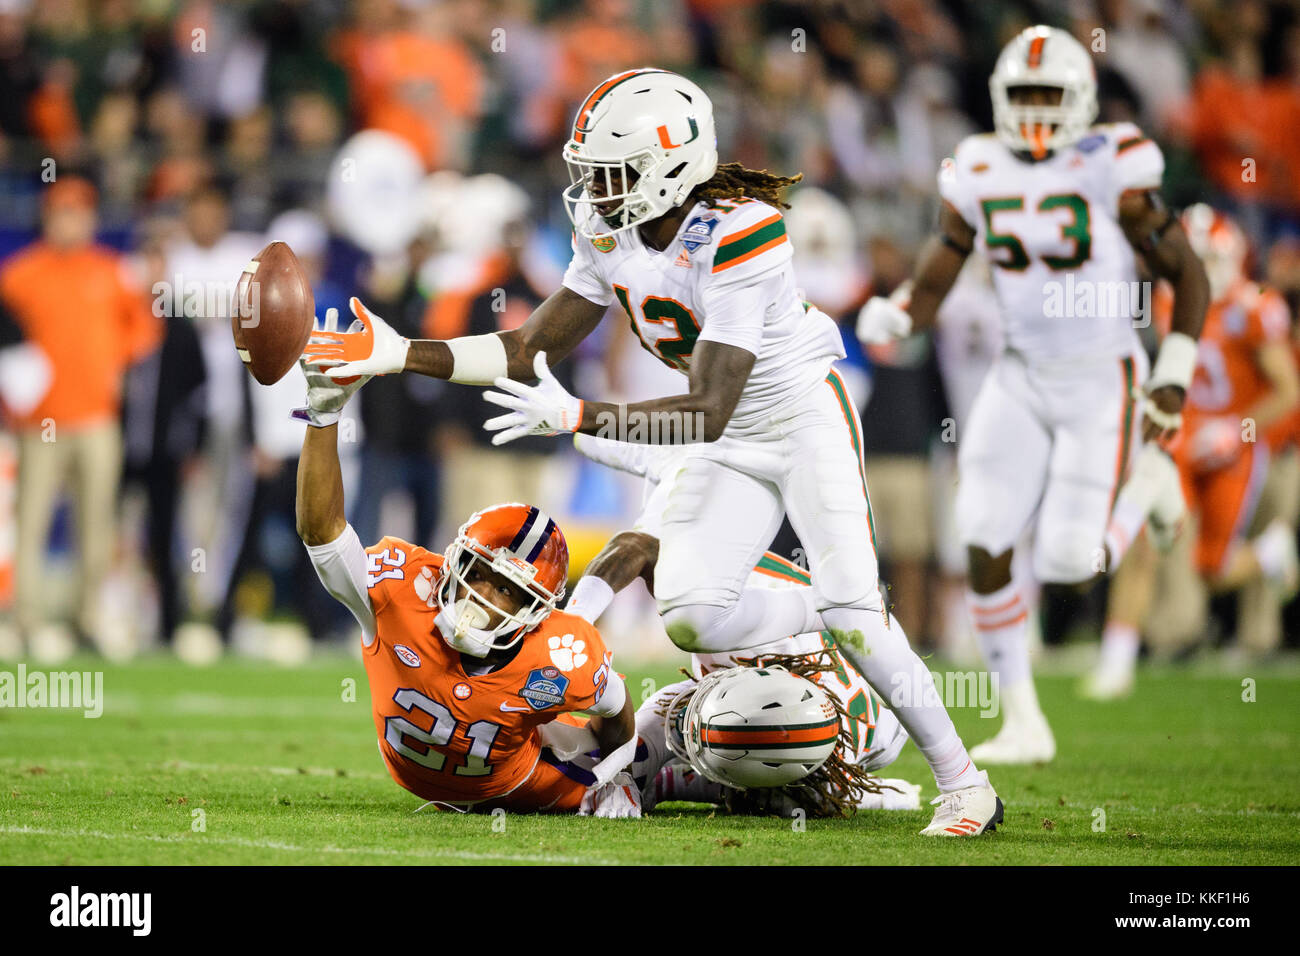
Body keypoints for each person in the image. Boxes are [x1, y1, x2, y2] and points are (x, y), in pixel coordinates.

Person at [307, 68, 1001, 836]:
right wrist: (400, 351)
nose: (595, 190)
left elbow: (708, 409)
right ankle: (819, 606)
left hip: (799, 418)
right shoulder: (609, 233)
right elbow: (531, 343)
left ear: (669, 166)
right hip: (726, 432)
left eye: (610, 173)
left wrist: (576, 415)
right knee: (696, 617)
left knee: (857, 612)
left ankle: (965, 783)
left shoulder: (744, 230)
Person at [857, 26, 1210, 764]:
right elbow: (943, 263)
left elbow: (1191, 276)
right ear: (999, 100)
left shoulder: (1113, 163)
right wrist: (901, 310)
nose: (1038, 111)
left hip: (1099, 373)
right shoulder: (979, 166)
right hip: (1018, 374)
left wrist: (1171, 375)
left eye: (1052, 95)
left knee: (1069, 562)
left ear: (1080, 100)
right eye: (1025, 96)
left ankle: (1148, 481)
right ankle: (1023, 718)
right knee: (981, 534)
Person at [293, 317, 638, 816]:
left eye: (505, 590)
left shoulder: (563, 649)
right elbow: (321, 535)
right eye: (477, 572)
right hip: (424, 774)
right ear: (454, 562)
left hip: (521, 782)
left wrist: (615, 774)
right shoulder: (403, 587)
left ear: (535, 611)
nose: (480, 593)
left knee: (655, 769)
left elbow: (614, 706)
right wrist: (323, 417)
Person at [564, 434, 920, 815]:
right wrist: (571, 625)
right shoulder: (727, 582)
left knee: (790, 799)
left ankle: (691, 778)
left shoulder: (858, 730)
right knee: (617, 755)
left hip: (849, 705)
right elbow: (637, 546)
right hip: (792, 658)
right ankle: (663, 770)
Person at [1088, 206, 1300, 697]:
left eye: (1212, 256)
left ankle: (1270, 552)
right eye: (1196, 256)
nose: (1203, 267)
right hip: (1181, 440)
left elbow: (1288, 391)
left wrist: (1236, 428)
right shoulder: (1165, 298)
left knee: (1211, 569)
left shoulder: (1255, 308)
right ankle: (1115, 662)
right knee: (1144, 538)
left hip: (1233, 448)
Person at [0, 175, 160, 657]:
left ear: (91, 218)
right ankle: (24, 618)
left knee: (97, 525)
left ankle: (86, 616)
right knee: (31, 522)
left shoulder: (112, 271)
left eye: (78, 211)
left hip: (96, 418)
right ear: (47, 217)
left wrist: (119, 363)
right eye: (61, 211)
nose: (70, 220)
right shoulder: (20, 274)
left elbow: (145, 328)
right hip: (39, 423)